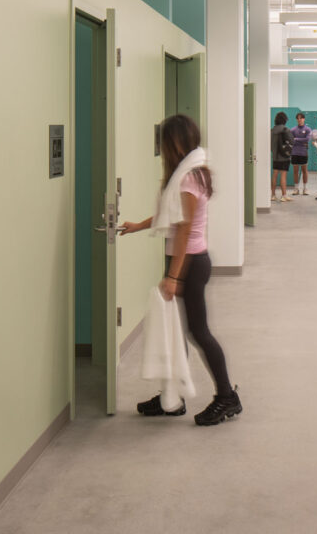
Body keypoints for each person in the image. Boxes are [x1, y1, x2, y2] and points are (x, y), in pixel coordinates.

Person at [118, 114, 242, 426]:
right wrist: (138, 226)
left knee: (198, 331)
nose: (161, 149)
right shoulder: (188, 173)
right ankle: (171, 398)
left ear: (176, 143)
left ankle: (227, 397)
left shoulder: (188, 178)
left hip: (190, 262)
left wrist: (173, 276)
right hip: (185, 260)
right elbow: (171, 217)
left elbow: (184, 229)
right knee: (176, 331)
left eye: (164, 142)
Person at [271, 111, 295, 202]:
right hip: (284, 156)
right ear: (284, 120)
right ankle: (284, 195)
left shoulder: (272, 130)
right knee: (283, 175)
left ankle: (273, 195)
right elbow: (292, 142)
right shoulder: (285, 129)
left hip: (275, 156)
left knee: (274, 175)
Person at [290, 113, 314, 196]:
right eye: (298, 118)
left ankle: (305, 188)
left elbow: (307, 139)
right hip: (294, 153)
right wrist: (300, 140)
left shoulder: (308, 129)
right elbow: (291, 140)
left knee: (304, 171)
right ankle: (296, 189)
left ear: (304, 119)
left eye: (301, 118)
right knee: (295, 172)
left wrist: (296, 139)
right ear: (296, 119)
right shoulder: (293, 130)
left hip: (303, 152)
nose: (299, 120)